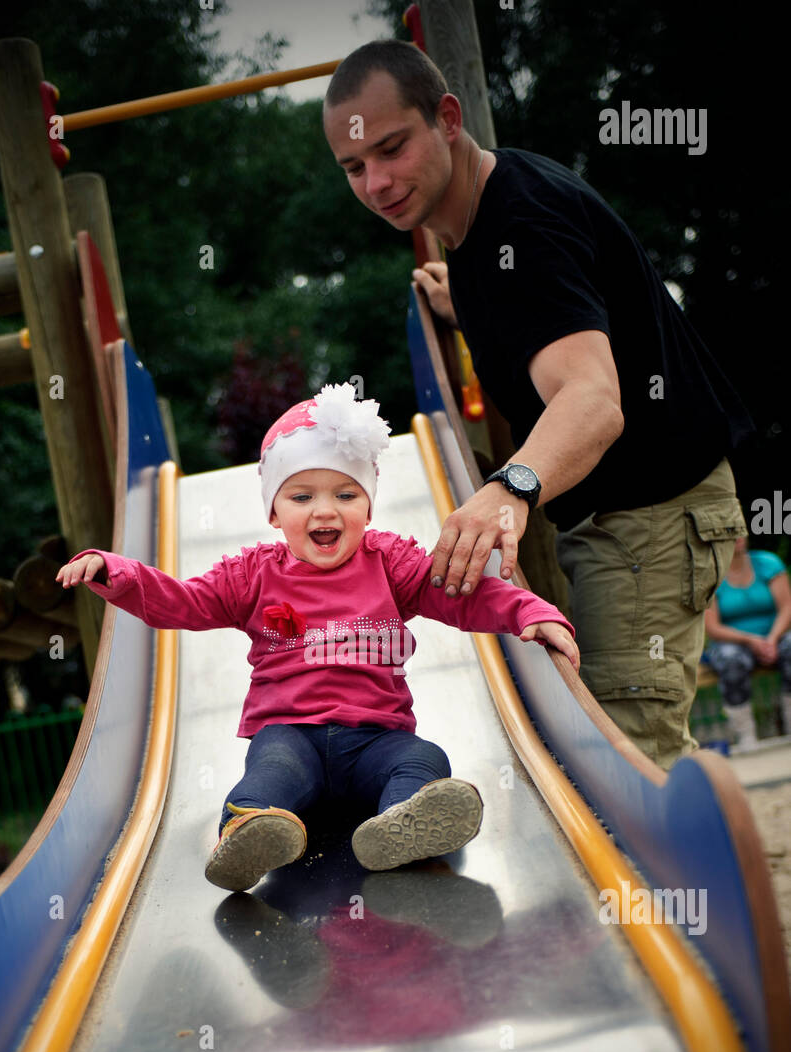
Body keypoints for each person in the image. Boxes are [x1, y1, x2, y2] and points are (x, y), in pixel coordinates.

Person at [322, 40, 752, 770]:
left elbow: (593, 400)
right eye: (355, 168)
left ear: (448, 118)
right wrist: (466, 304)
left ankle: (696, 882)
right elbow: (544, 314)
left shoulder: (523, 222)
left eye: (392, 148)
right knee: (608, 749)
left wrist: (511, 488)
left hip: (653, 512)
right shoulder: (482, 227)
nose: (378, 183)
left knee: (630, 759)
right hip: (625, 512)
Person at [56, 382, 579, 893]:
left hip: (377, 738)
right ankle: (249, 830)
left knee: (424, 759)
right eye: (302, 496)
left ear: (368, 508)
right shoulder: (253, 575)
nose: (325, 510)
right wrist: (116, 574)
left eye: (346, 494)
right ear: (274, 511)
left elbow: (461, 592)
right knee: (273, 773)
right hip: (290, 734)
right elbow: (183, 601)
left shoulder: (390, 563)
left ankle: (401, 824)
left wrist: (529, 611)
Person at [703, 538, 791, 750]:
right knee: (731, 660)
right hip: (731, 641)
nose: (737, 538)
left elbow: (787, 608)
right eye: (729, 533)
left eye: (740, 531)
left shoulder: (768, 563)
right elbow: (712, 627)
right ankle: (746, 737)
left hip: (773, 636)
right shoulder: (710, 573)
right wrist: (753, 640)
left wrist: (770, 639)